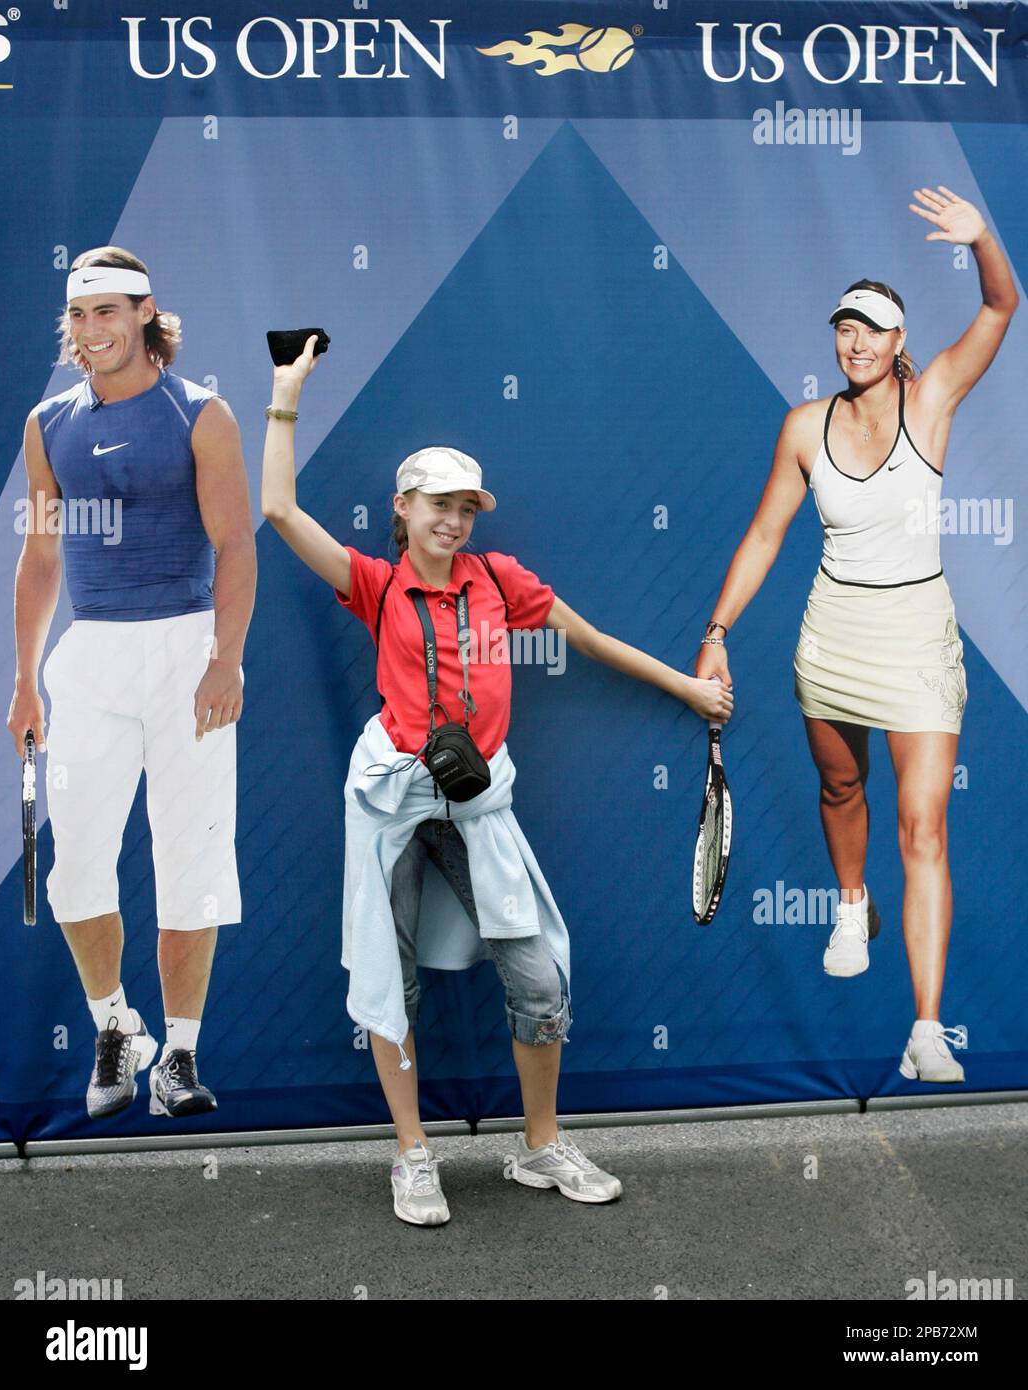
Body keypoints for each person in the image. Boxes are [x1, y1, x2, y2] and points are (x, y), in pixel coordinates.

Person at [261, 335, 733, 1225]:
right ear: (402, 507)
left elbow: (588, 641)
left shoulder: (497, 581)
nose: (455, 520)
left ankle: (540, 1147)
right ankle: (411, 1155)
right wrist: (285, 395)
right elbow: (280, 510)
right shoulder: (374, 584)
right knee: (387, 979)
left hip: (479, 804)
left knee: (540, 979)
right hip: (395, 803)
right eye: (440, 504)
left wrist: (689, 688)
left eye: (467, 507)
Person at [695, 187, 1018, 1085]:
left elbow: (1001, 306)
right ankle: (848, 904)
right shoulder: (805, 425)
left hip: (917, 634)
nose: (858, 341)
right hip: (832, 633)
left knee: (922, 826)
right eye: (846, 328)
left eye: (874, 328)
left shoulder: (937, 397)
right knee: (842, 789)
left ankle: (924, 1027)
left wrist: (981, 238)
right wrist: (718, 629)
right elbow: (765, 535)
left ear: (900, 340)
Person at [6, 247, 256, 1120]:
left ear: (146, 314)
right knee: (76, 867)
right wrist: (25, 681)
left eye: (107, 311)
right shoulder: (48, 425)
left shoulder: (203, 414)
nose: (91, 331)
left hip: (189, 651)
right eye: (78, 315)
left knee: (191, 859)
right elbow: (41, 558)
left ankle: (179, 1055)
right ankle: (116, 1026)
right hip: (92, 657)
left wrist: (225, 659)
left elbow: (235, 545)